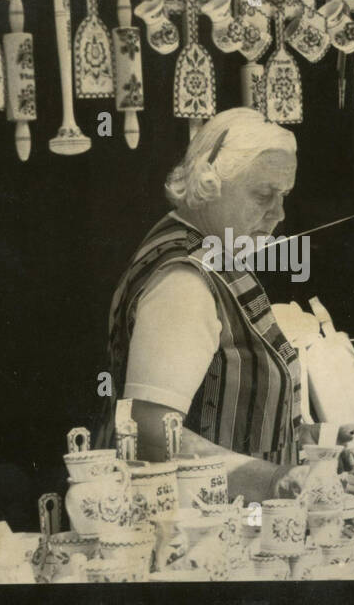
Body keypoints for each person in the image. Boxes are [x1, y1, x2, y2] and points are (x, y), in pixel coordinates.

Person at [102, 107, 329, 501]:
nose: (279, 214)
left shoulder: (215, 250)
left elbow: (243, 416)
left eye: (284, 196)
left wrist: (322, 439)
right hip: (196, 532)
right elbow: (147, 430)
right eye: (263, 195)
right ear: (210, 184)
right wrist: (273, 481)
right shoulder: (184, 281)